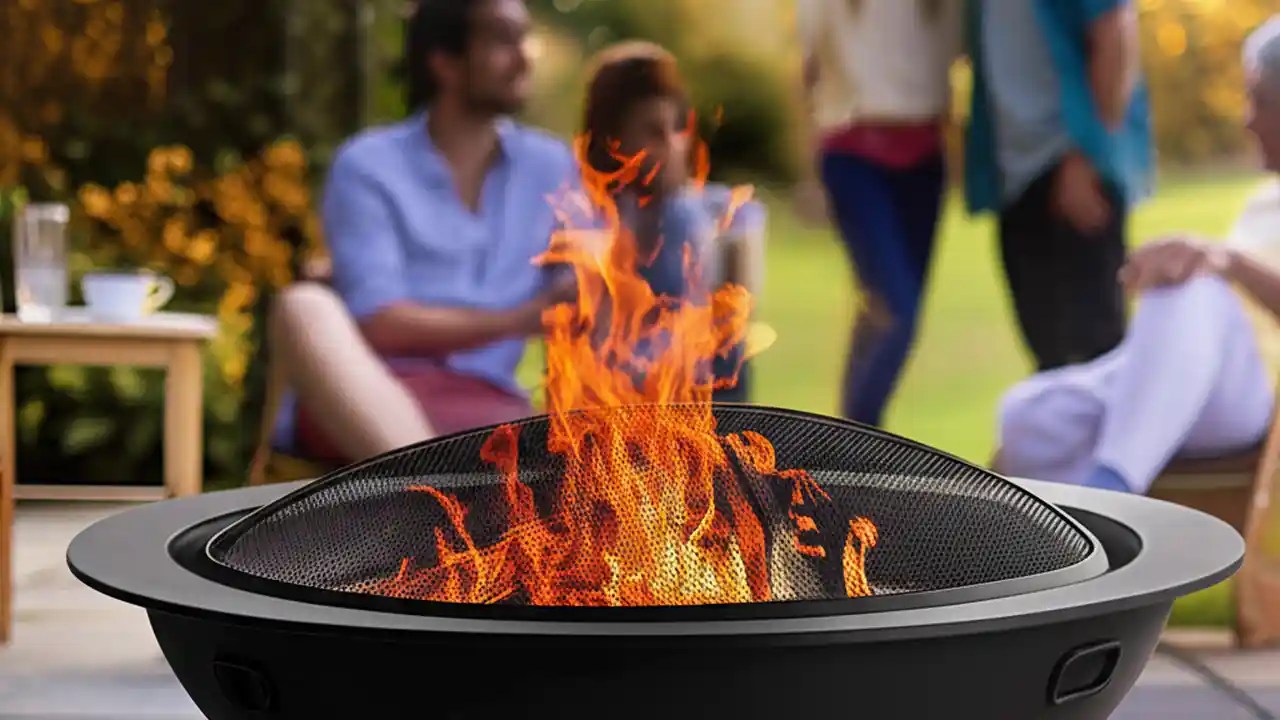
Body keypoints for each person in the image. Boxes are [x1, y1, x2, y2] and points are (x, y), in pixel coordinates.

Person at [267, 0, 576, 465]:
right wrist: (523, 317)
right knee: (302, 306)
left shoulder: (552, 168)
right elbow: (380, 323)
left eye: (522, 37)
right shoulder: (369, 165)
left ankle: (426, 497)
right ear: (445, 62)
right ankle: (426, 490)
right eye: (501, 40)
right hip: (368, 394)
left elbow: (598, 289)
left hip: (490, 410)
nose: (523, 56)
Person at [994, 17, 1280, 494]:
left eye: (1263, 102)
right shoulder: (1263, 204)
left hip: (1254, 394)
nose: (1247, 118)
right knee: (1026, 414)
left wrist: (1223, 260)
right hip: (1186, 383)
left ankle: (1114, 489)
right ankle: (1010, 542)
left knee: (1195, 287)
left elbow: (1220, 286)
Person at [797, 0, 964, 426]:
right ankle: (855, 446)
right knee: (897, 312)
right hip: (855, 156)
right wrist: (807, 173)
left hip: (924, 164)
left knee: (886, 312)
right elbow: (808, 73)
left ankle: (850, 438)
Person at [575, 41, 767, 401]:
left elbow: (735, 319)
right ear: (612, 141)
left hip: (695, 396)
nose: (673, 146)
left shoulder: (724, 213)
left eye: (677, 129)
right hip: (616, 402)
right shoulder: (587, 220)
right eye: (652, 132)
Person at [966, 0, 1151, 372]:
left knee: (1099, 358)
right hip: (1014, 177)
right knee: (1050, 362)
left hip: (1074, 168)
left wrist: (1088, 153)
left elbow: (1115, 31)